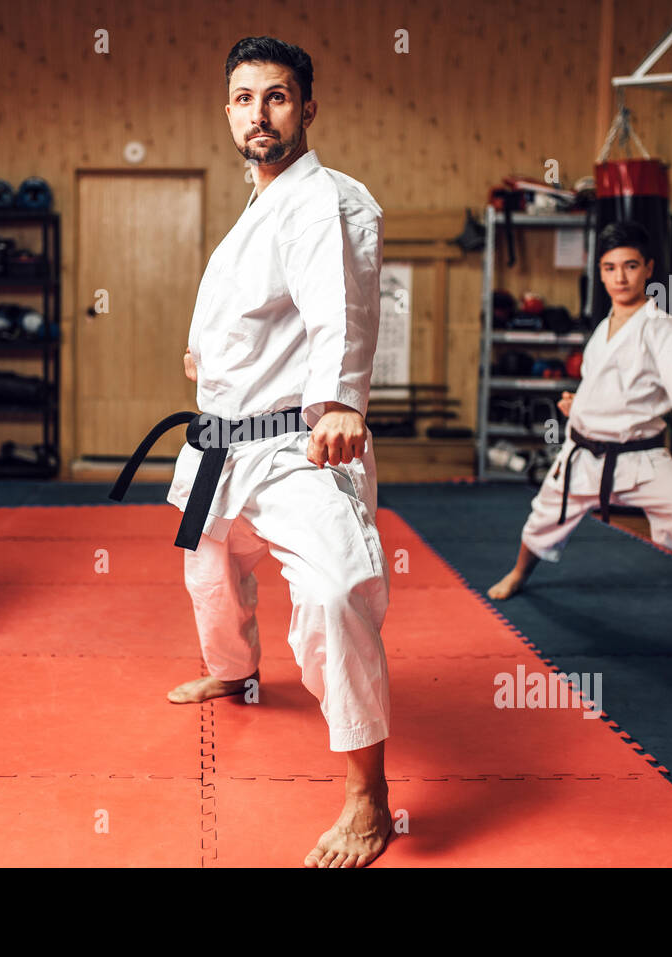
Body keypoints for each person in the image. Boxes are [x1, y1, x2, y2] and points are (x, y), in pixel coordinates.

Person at [110, 36, 391, 867]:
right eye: (243, 98)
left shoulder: (325, 202)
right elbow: (253, 313)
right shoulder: (257, 204)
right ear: (227, 110)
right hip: (222, 439)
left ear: (307, 107)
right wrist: (203, 356)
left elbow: (340, 304)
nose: (258, 113)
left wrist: (340, 399)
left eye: (276, 97)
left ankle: (367, 800)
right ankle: (233, 671)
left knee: (338, 591)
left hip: (297, 442)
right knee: (209, 564)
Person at [487, 221, 672, 671]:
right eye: (609, 267)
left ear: (648, 269)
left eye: (629, 266)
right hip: (583, 455)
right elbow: (605, 384)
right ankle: (519, 574)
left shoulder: (663, 329)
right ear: (600, 273)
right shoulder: (604, 326)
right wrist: (578, 404)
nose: (620, 277)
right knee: (543, 517)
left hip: (641, 458)